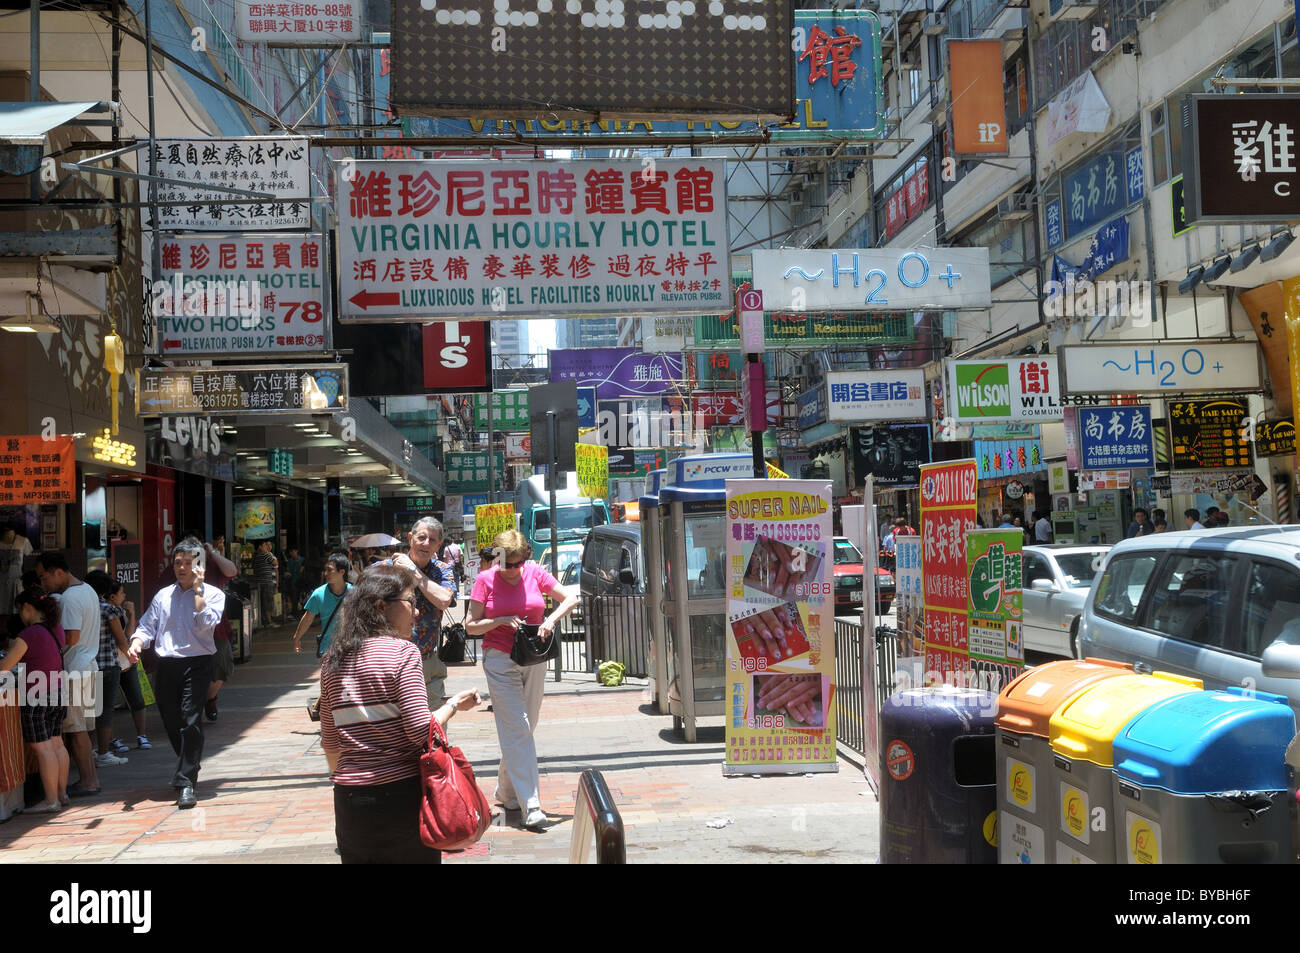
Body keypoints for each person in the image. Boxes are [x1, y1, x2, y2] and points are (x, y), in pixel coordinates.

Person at [318, 564, 482, 864]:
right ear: (382, 606)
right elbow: (420, 730)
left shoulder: (331, 661)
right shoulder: (403, 653)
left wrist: (348, 778)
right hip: (402, 797)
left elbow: (330, 741)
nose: (417, 612)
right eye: (411, 603)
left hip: (350, 803)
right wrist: (453, 706)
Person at [465, 529, 579, 829]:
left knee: (526, 727)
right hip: (500, 658)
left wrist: (551, 620)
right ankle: (532, 805)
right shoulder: (485, 580)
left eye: (519, 563)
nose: (514, 569)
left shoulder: (535, 572)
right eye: (508, 564)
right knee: (518, 728)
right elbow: (470, 626)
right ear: (498, 558)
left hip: (533, 656)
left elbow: (571, 598)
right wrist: (498, 621)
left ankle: (505, 792)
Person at [125, 540, 225, 809]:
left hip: (198, 662)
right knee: (171, 720)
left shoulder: (214, 594)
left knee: (190, 719)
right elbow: (147, 625)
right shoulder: (162, 596)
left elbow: (205, 624)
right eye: (177, 562)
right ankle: (190, 762)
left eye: (188, 562)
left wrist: (198, 590)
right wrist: (136, 642)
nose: (181, 567)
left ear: (199, 565)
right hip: (167, 665)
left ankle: (186, 782)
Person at [35, 552, 101, 798]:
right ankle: (90, 779)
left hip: (75, 670)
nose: (43, 583)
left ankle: (88, 781)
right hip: (88, 666)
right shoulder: (88, 590)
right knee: (82, 729)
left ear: (58, 572)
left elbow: (71, 637)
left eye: (44, 577)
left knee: (76, 730)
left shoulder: (71, 598)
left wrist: (47, 650)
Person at [0, 587, 69, 811]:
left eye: (21, 611)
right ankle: (62, 794)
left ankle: (51, 801)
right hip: (59, 693)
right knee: (57, 744)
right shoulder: (56, 629)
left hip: (37, 696)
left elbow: (5, 666)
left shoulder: (27, 635)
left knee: (43, 749)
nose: (20, 616)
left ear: (28, 608)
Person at [379, 518, 456, 706]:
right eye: (421, 538)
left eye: (432, 540)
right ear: (410, 538)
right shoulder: (383, 570)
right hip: (388, 663)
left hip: (427, 662)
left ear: (439, 545)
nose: (426, 544)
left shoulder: (443, 571)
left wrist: (414, 572)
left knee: (433, 728)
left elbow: (444, 600)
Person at [85, 571, 134, 767]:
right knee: (105, 713)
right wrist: (130, 655)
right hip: (107, 666)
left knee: (88, 713)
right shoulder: (108, 610)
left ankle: (88, 753)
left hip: (87, 665)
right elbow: (121, 640)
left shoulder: (82, 607)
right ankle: (103, 753)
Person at [0, 526, 33, 629]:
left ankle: (18, 632)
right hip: (1, 581)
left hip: (17, 579)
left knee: (18, 607)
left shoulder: (23, 541)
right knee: (2, 609)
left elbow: (28, 559)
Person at [253, 539, 279, 625]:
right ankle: (269, 621)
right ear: (260, 547)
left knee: (263, 602)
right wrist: (268, 553)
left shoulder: (256, 556)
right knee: (268, 602)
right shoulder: (265, 554)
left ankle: (265, 621)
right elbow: (275, 563)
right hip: (267, 582)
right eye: (264, 545)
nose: (266, 547)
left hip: (259, 583)